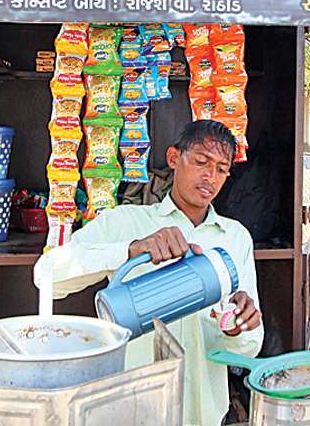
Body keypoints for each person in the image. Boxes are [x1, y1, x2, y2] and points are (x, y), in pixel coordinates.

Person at [33, 120, 261, 426]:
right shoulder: (125, 223)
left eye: (221, 169)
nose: (210, 176)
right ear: (173, 158)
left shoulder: (234, 238)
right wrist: (130, 250)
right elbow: (47, 275)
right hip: (128, 410)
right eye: (200, 161)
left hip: (202, 414)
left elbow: (249, 347)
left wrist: (238, 327)